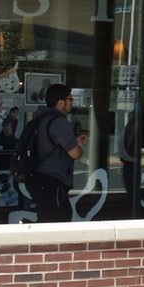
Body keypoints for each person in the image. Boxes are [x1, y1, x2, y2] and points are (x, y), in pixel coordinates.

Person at [25, 83, 87, 224]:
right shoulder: (59, 122)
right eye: (70, 99)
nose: (72, 102)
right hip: (52, 181)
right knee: (56, 222)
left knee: (49, 219)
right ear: (60, 102)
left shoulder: (41, 118)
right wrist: (77, 147)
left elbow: (49, 144)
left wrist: (73, 141)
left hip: (39, 179)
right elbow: (76, 154)